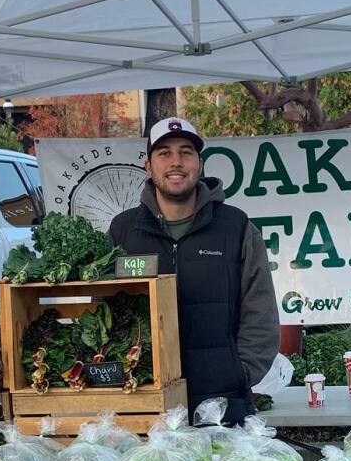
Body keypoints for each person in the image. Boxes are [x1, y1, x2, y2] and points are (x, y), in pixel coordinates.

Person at [108, 116, 279, 424]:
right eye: (164, 153)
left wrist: (239, 372)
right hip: (144, 402)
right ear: (148, 166)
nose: (176, 162)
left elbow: (261, 309)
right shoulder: (123, 230)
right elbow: (104, 308)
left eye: (186, 152)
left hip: (224, 403)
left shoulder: (235, 226)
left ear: (199, 163)